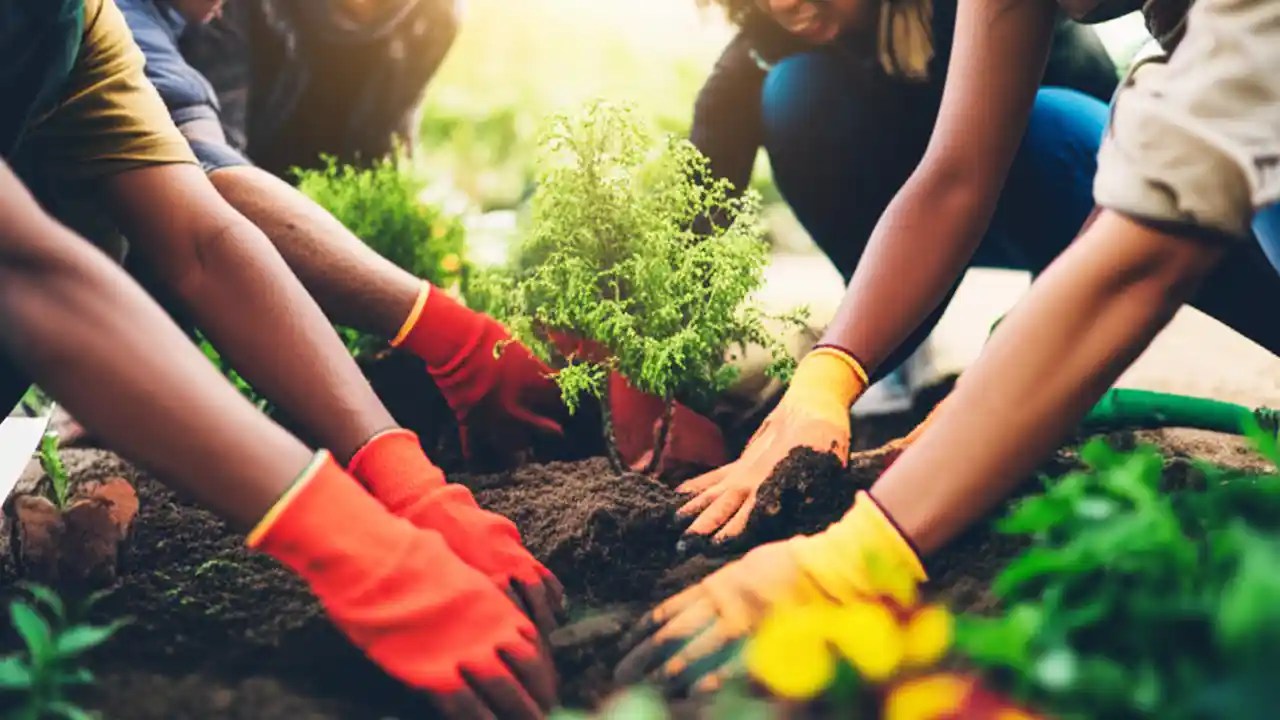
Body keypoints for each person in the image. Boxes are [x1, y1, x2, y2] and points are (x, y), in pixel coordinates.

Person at [619, 0, 1280, 691]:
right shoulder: (762, 56)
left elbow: (1140, 246)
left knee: (1120, 134)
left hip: (1117, 190)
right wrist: (825, 377)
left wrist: (855, 556)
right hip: (1157, 187)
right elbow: (954, 176)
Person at [1, 0, 559, 715]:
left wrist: (405, 478)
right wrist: (357, 548)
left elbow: (205, 240)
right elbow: (26, 275)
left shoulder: (79, 21)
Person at [108, 0, 729, 475]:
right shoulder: (120, 24)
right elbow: (207, 190)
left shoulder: (428, 21)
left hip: (284, 219)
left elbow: (386, 158)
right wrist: (444, 331)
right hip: (222, 220)